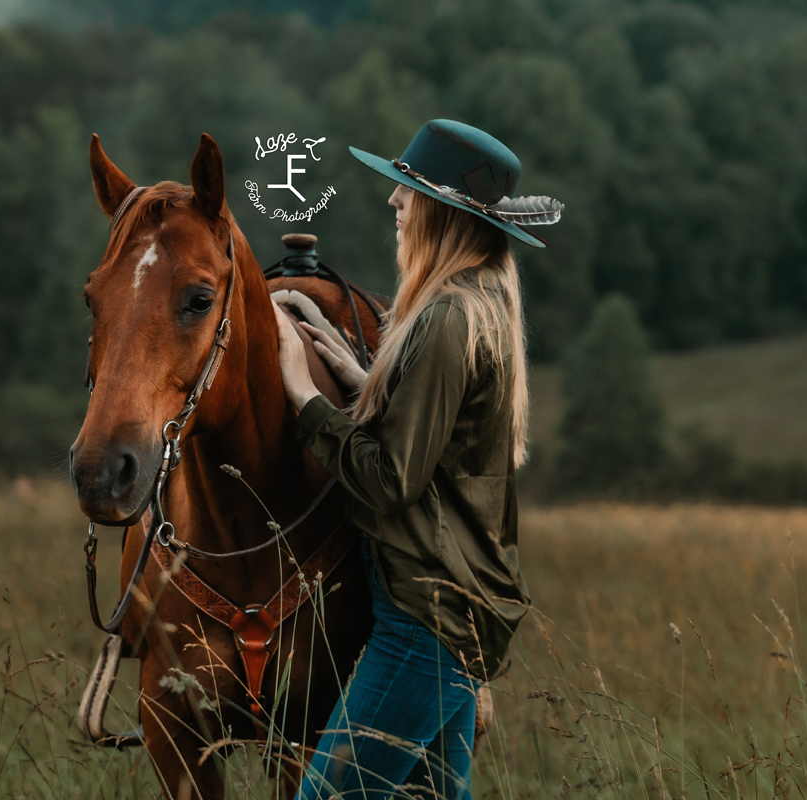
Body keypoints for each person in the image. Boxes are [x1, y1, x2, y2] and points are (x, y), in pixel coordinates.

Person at [273, 119, 561, 800]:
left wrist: (302, 393)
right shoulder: (480, 304)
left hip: (424, 625)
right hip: (457, 611)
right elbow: (428, 447)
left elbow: (390, 482)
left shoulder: (445, 321)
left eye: (408, 192)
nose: (394, 204)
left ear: (442, 213)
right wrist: (360, 374)